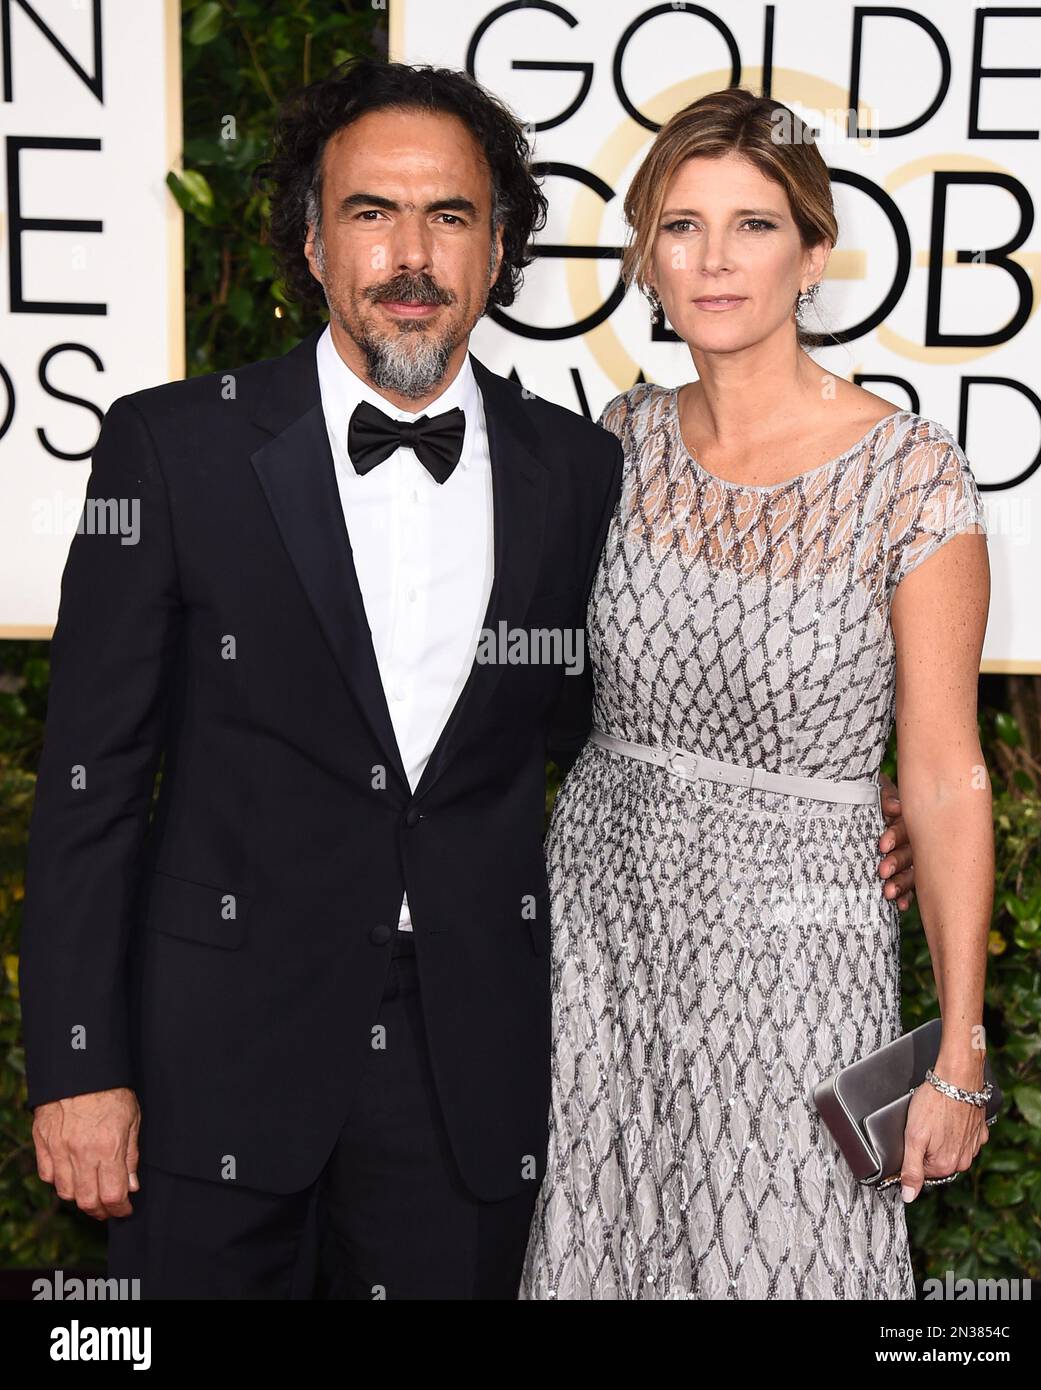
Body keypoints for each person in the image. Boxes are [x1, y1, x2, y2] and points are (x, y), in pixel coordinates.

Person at [17, 58, 629, 1300]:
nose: (412, 254)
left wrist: (833, 807)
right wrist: (80, 1065)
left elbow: (598, 730)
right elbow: (91, 778)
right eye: (371, 213)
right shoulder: (173, 447)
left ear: (498, 244)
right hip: (211, 1058)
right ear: (311, 243)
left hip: (461, 1069)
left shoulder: (573, 471)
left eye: (450, 215)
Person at [519, 87, 992, 1300]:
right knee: (596, 1241)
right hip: (599, 928)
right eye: (680, 225)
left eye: (752, 224)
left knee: (786, 1253)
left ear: (813, 252)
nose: (714, 258)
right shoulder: (611, 444)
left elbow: (942, 771)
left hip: (799, 948)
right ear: (646, 257)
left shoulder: (910, 478)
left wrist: (958, 1054)